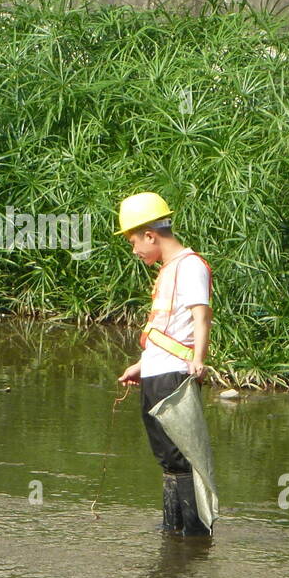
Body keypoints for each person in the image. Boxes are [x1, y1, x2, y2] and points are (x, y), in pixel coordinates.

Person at [115, 193, 214, 536]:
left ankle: (195, 533)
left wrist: (198, 361)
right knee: (168, 458)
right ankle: (173, 531)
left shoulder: (190, 266)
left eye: (134, 242)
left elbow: (201, 316)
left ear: (150, 235)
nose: (134, 251)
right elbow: (165, 327)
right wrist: (141, 365)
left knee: (181, 456)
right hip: (156, 372)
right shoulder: (169, 270)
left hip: (176, 375)